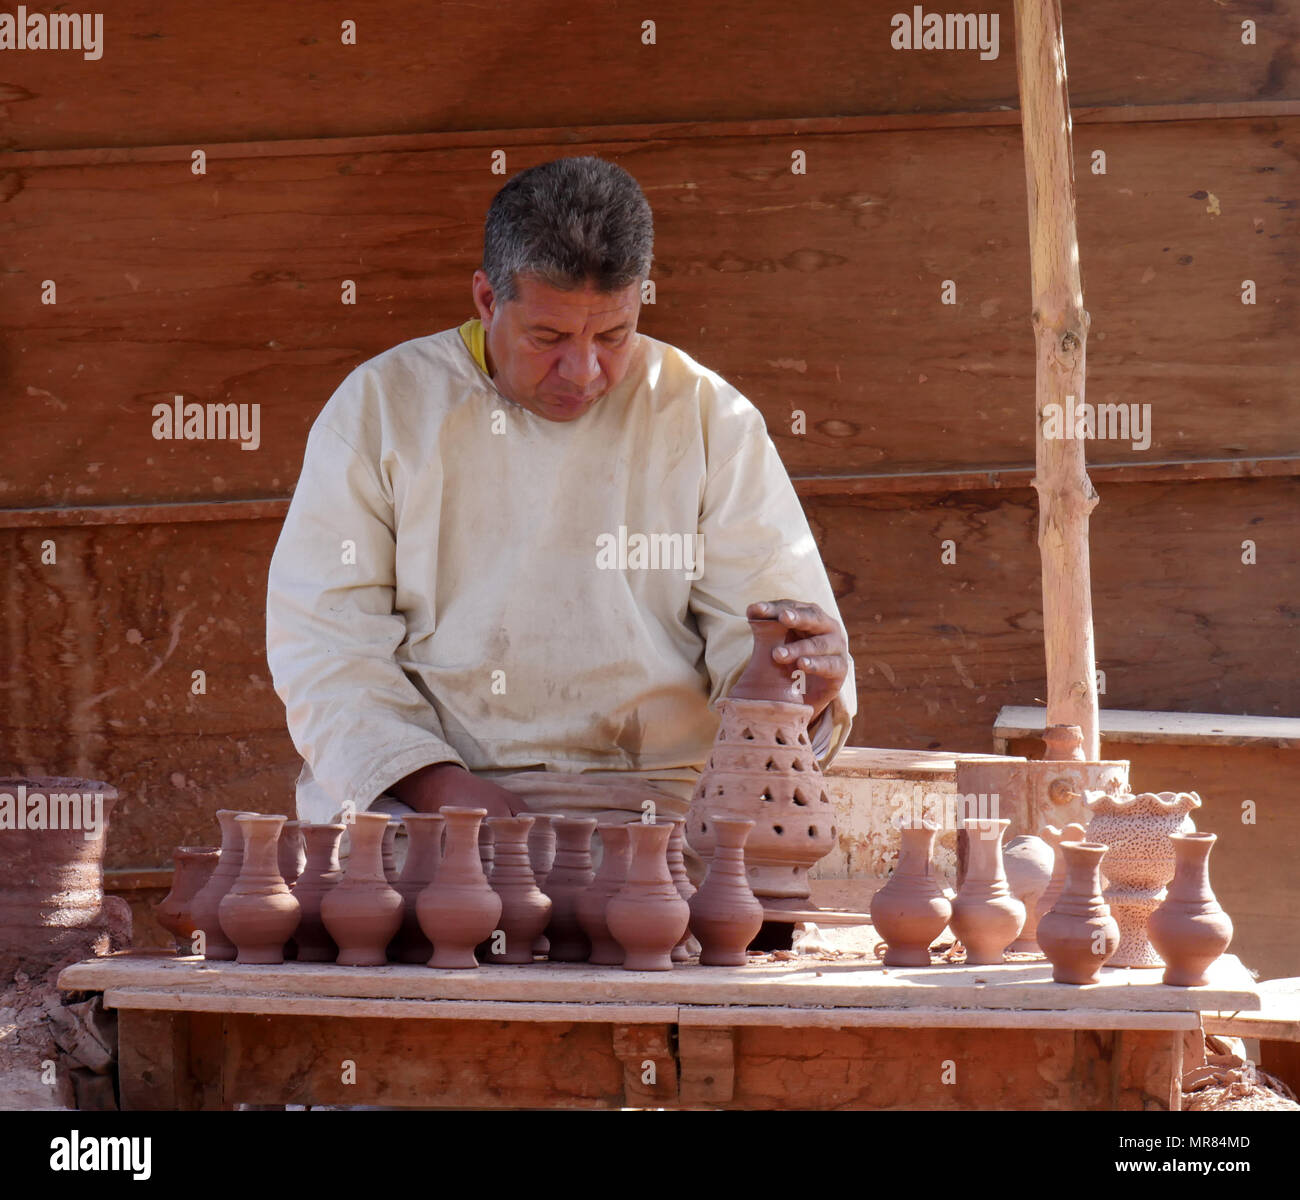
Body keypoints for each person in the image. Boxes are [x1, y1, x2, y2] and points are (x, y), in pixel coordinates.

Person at [265, 155, 857, 874]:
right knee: (381, 883)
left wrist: (802, 693)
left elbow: (767, 633)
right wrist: (433, 780)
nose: (583, 371)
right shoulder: (381, 409)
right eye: (549, 338)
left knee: (719, 878)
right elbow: (326, 645)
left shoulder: (706, 416)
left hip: (654, 810)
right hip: (434, 803)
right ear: (487, 300)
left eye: (612, 336)